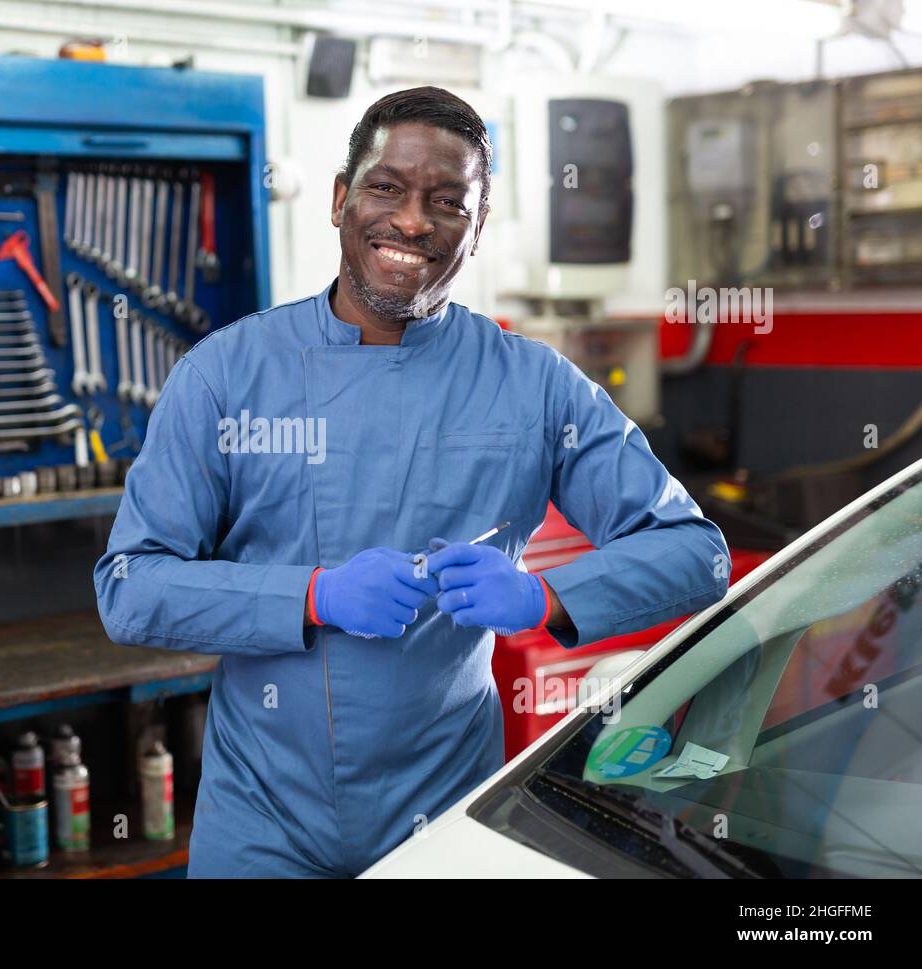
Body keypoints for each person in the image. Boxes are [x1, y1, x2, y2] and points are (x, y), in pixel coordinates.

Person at [94, 86, 729, 877]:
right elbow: (131, 585)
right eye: (386, 187)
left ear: (477, 226)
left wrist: (544, 597)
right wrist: (312, 596)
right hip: (261, 820)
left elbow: (696, 553)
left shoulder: (533, 385)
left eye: (447, 202)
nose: (413, 221)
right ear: (339, 200)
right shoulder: (225, 375)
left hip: (444, 823)